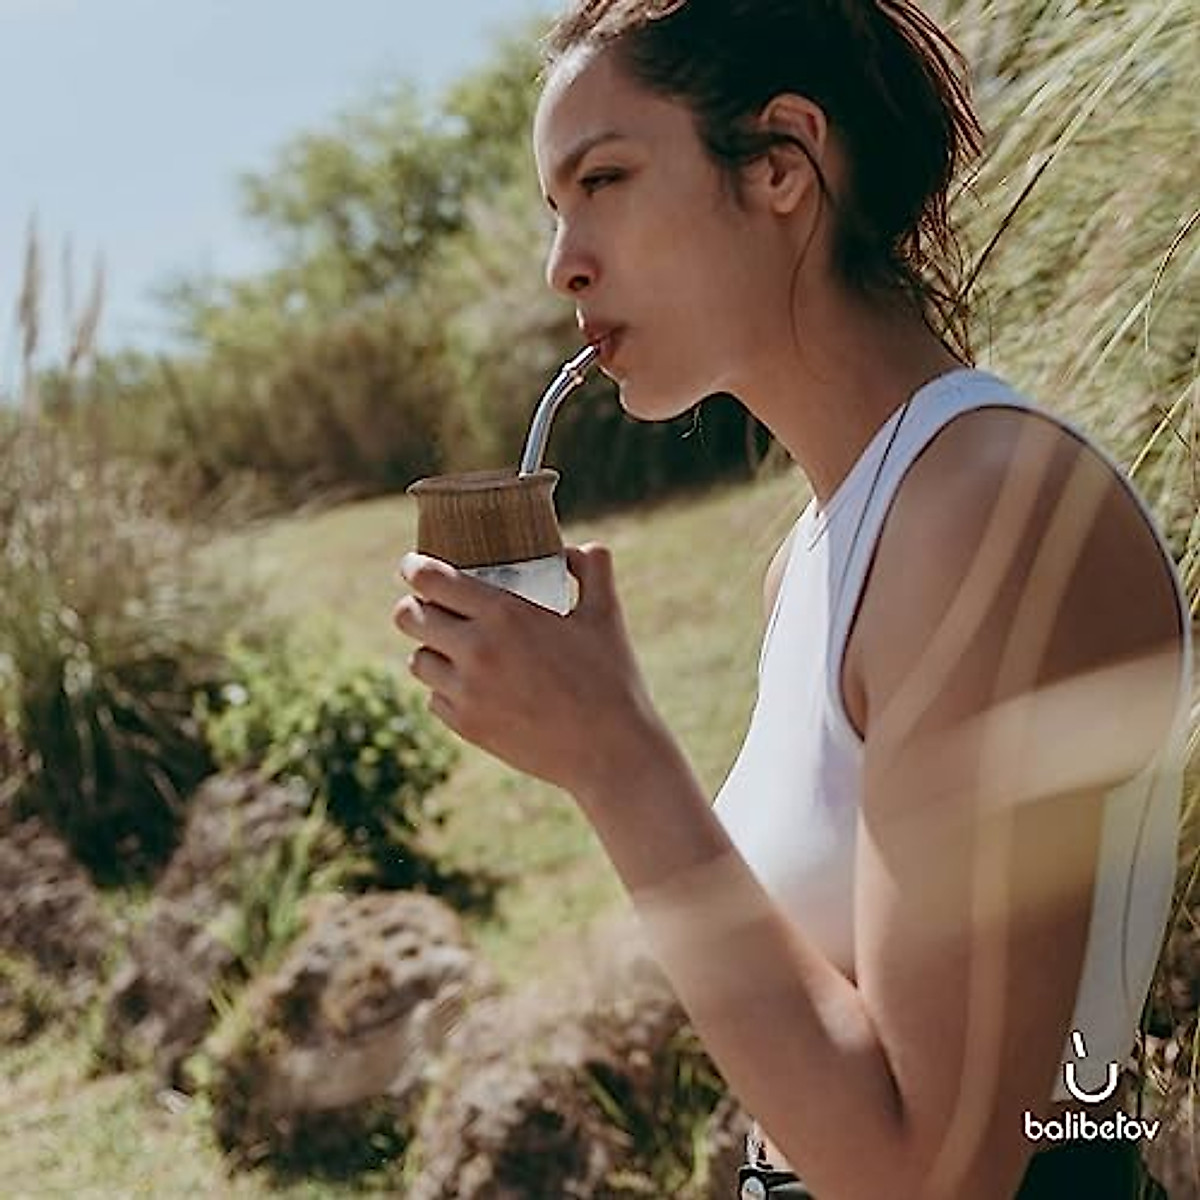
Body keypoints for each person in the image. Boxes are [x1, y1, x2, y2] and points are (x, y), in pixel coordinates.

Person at [393, 2, 1192, 1195]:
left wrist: (616, 757)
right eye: (554, 210)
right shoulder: (818, 553)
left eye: (603, 178)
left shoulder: (988, 511)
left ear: (780, 165)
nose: (562, 260)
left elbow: (936, 1170)